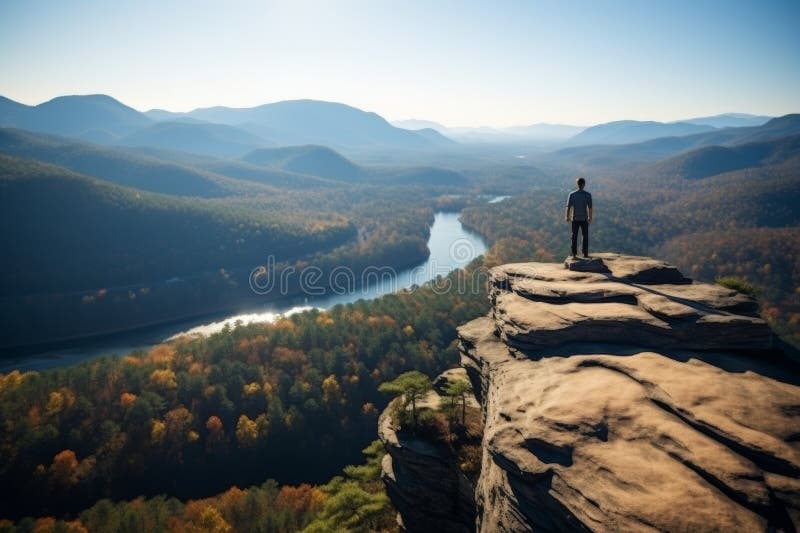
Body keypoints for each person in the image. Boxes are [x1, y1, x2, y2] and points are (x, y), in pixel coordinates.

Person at [565, 177, 593, 258]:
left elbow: (568, 207)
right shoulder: (587, 195)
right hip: (584, 219)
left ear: (577, 184)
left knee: (574, 236)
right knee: (585, 236)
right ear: (584, 184)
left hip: (575, 218)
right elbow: (590, 207)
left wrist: (567, 216)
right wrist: (590, 217)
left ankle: (574, 253)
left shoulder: (572, 194)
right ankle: (585, 253)